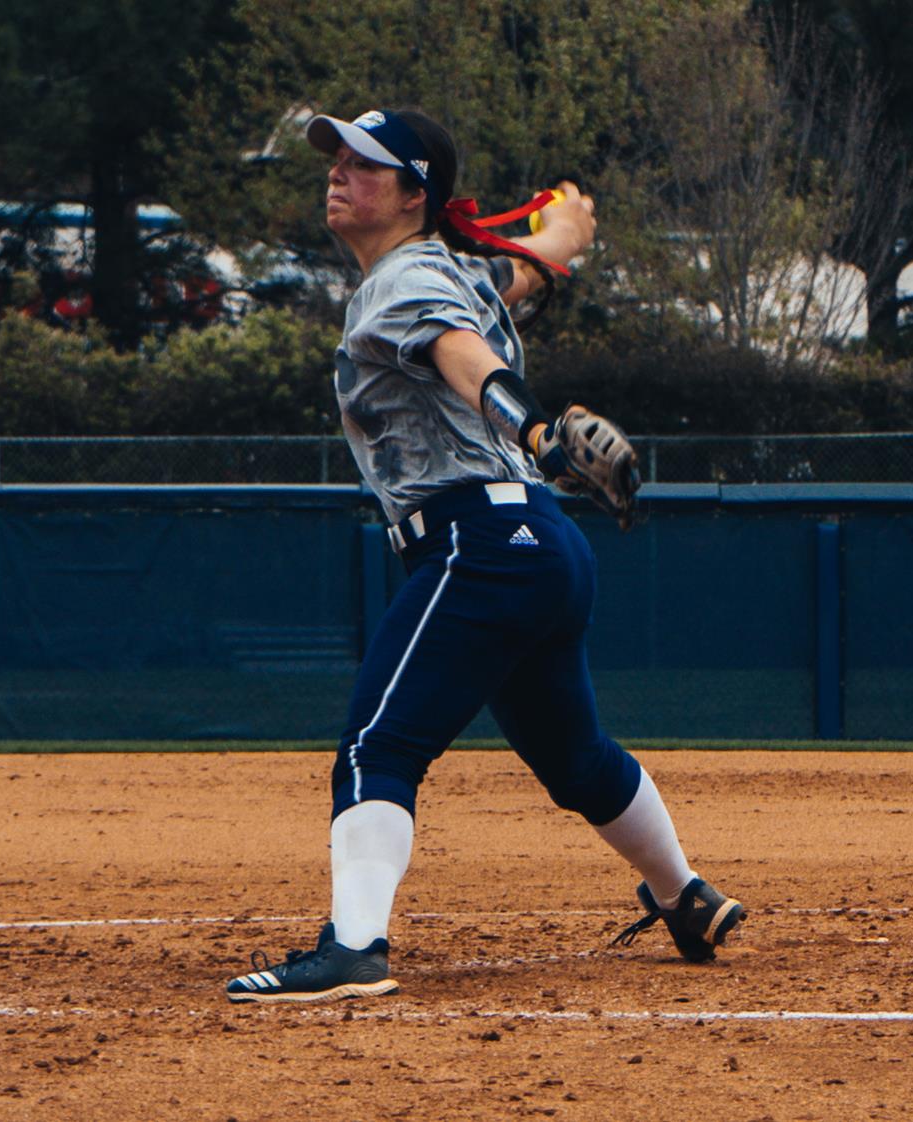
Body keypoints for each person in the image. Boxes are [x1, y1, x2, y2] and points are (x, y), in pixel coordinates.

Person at [225, 108, 745, 1004]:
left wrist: (535, 424)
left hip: (478, 543)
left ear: (415, 193)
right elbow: (511, 284)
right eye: (338, 159)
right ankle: (685, 896)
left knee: (376, 748)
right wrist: (560, 240)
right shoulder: (444, 271)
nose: (340, 173)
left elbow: (464, 356)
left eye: (366, 165)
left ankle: (353, 949)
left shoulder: (400, 284)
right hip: (544, 546)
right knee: (577, 760)